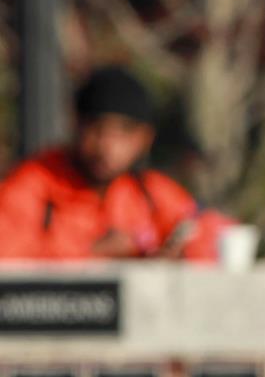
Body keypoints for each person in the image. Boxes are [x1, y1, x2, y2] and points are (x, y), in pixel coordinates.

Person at [0, 67, 223, 263]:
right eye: (98, 129)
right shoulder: (35, 182)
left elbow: (211, 230)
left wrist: (178, 257)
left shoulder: (147, 192)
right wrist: (91, 254)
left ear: (144, 138)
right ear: (77, 126)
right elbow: (8, 257)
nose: (107, 146)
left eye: (123, 132)